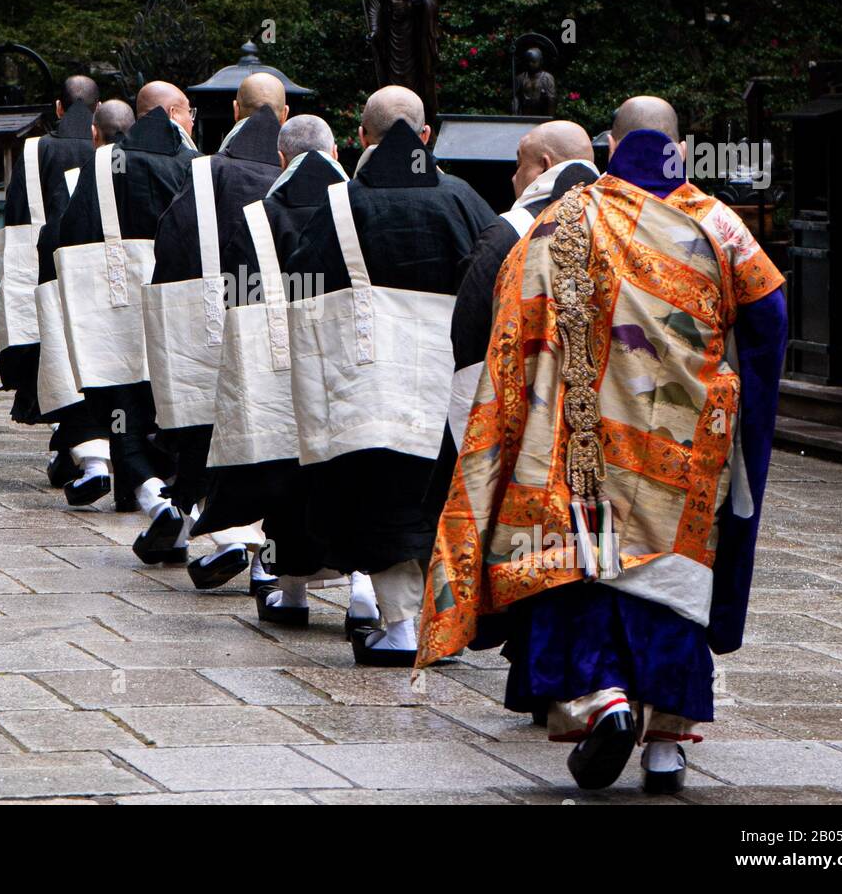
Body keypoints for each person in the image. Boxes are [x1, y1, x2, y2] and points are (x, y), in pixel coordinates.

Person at [416, 96, 788, 795]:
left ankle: (600, 700)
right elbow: (769, 323)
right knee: (673, 588)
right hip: (684, 450)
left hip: (576, 442)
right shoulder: (720, 226)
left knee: (582, 570)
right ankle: (667, 747)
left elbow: (512, 326)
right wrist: (737, 407)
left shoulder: (563, 220)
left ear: (611, 147)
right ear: (682, 146)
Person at [286, 86, 496, 665]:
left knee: (378, 493)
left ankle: (400, 623)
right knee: (440, 492)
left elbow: (302, 286)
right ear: (425, 137)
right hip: (452, 382)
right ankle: (440, 618)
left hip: (369, 382)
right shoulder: (463, 199)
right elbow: (499, 271)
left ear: (361, 137)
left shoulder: (338, 204)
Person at [197, 114, 378, 627]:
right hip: (358, 364)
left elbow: (237, 299)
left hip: (283, 363)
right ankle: (364, 587)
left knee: (290, 476)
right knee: (355, 476)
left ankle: (292, 591)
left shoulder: (257, 217)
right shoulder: (364, 205)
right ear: (337, 153)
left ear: (281, 158)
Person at [421, 121, 600, 580]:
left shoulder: (507, 233)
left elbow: (470, 335)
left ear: (542, 165)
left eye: (518, 164)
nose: (512, 178)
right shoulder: (630, 223)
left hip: (529, 409)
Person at [145, 78, 289, 588]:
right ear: (285, 113)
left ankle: (219, 530)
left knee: (205, 427)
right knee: (271, 435)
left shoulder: (205, 172)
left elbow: (174, 240)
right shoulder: (295, 170)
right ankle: (266, 556)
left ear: (234, 111)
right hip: (280, 323)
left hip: (211, 316)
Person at [55, 82, 198, 558]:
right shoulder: (193, 164)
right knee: (176, 402)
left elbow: (67, 234)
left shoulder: (103, 163)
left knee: (121, 401)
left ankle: (151, 497)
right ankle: (177, 502)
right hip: (179, 301)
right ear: (176, 112)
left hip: (115, 303)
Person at [33, 99, 134, 507]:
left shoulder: (81, 177)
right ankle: (136, 480)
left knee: (85, 375)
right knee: (134, 388)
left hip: (89, 294)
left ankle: (93, 463)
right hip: (146, 294)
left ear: (95, 134)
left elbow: (54, 235)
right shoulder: (168, 167)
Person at [0, 75, 99, 457]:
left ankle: (64, 433)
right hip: (90, 263)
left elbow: (18, 211)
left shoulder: (32, 150)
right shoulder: (105, 149)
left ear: (58, 107)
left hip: (41, 263)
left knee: (49, 344)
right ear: (98, 108)